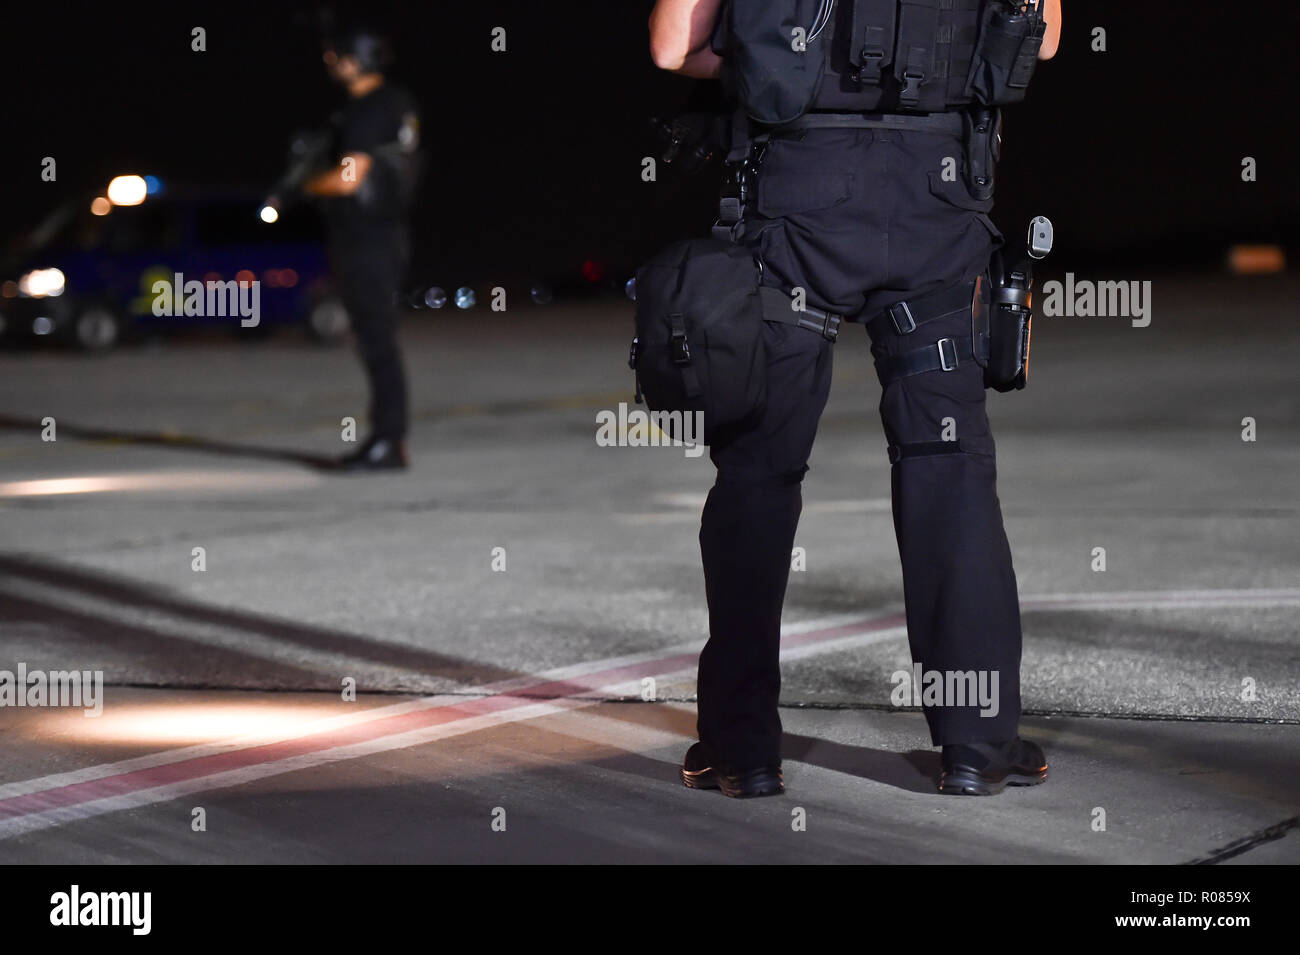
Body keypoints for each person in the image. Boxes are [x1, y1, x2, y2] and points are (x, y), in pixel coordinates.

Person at [649, 0, 1061, 796]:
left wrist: (777, 69)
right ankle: (976, 745)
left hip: (794, 201)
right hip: (938, 203)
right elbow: (1042, 32)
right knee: (950, 465)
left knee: (759, 472)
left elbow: (673, 48)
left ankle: (744, 748)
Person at [288, 27, 420, 471]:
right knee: (377, 340)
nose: (333, 64)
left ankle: (387, 441)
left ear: (356, 61)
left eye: (339, 56)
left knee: (375, 343)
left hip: (366, 241)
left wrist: (306, 187)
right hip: (387, 235)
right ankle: (388, 439)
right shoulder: (397, 101)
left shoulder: (365, 111)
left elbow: (349, 177)